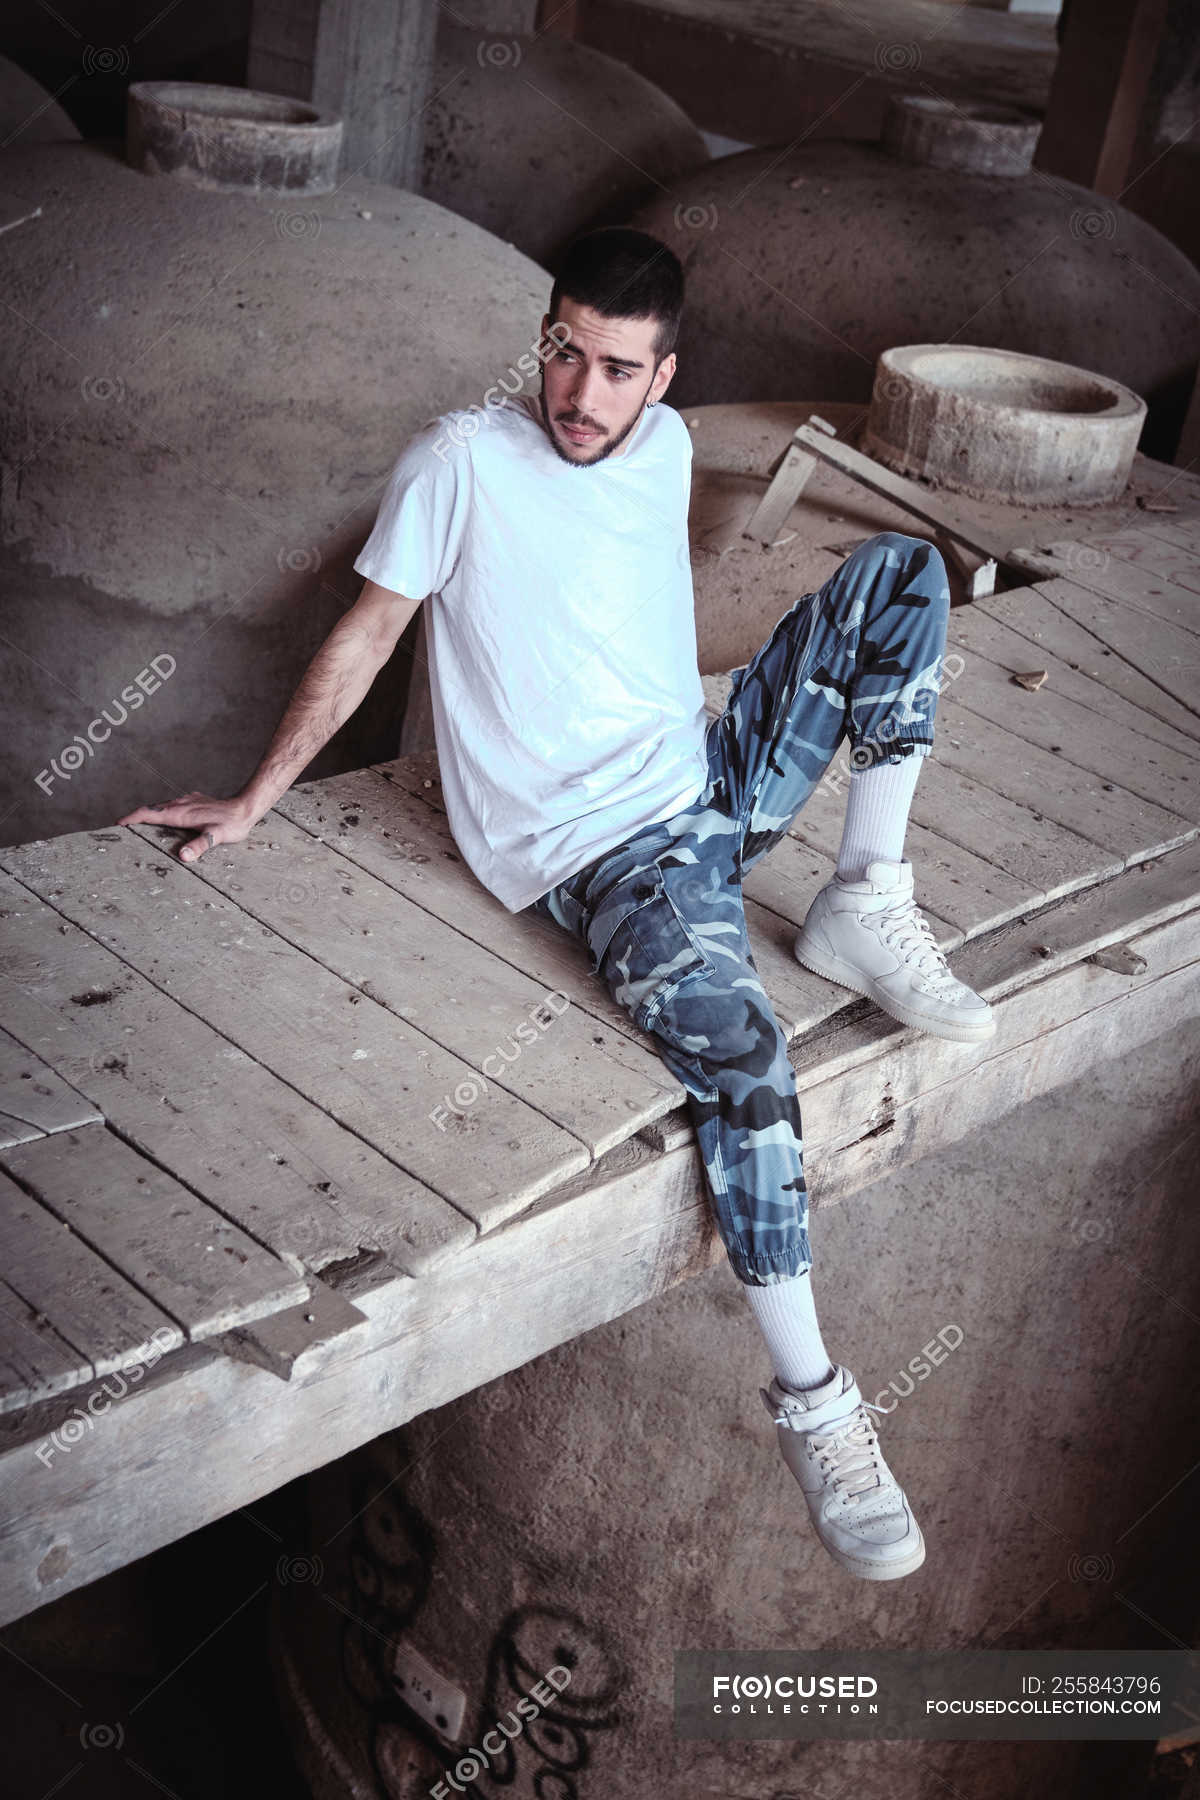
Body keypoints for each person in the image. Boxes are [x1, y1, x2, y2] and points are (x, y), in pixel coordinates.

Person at [118, 226, 994, 1584]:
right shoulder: (456, 462)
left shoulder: (667, 450)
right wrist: (253, 798)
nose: (584, 394)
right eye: (565, 352)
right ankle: (820, 1407)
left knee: (904, 578)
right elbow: (361, 640)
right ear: (543, 338)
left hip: (708, 776)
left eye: (620, 368)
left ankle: (866, 897)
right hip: (610, 856)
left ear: (667, 375)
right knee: (748, 1062)